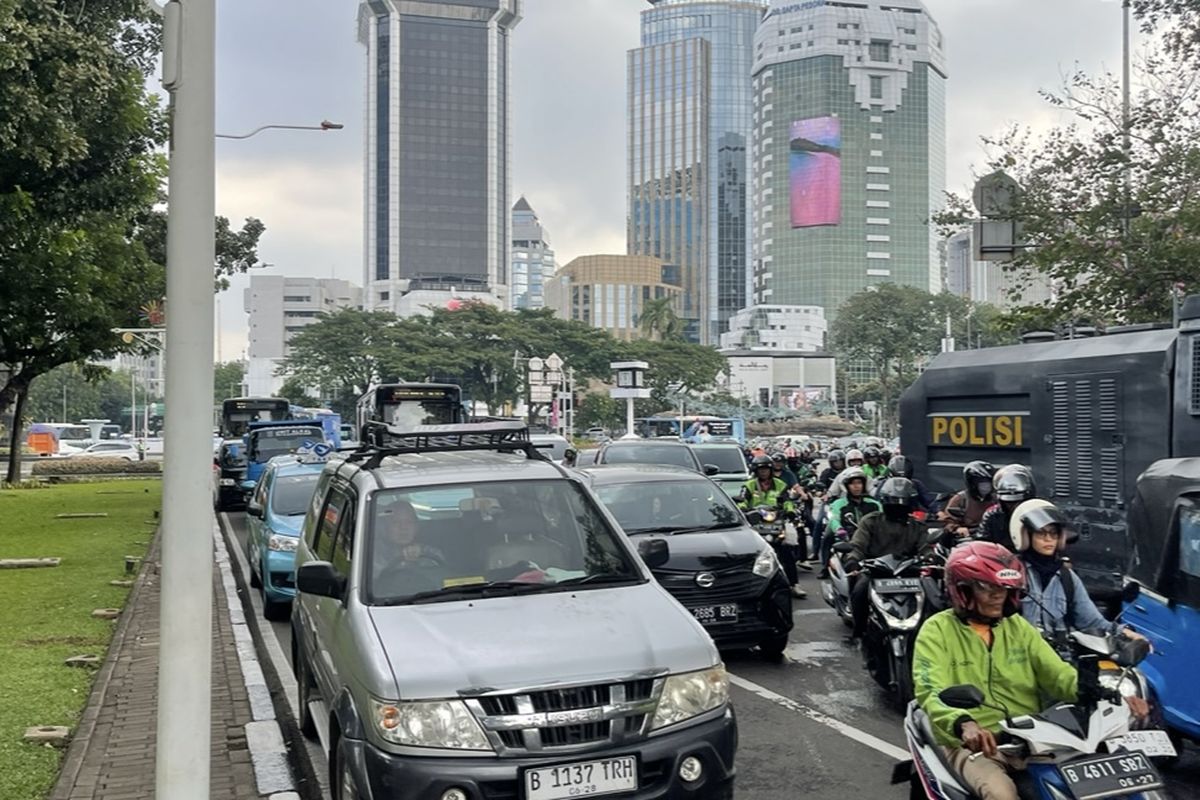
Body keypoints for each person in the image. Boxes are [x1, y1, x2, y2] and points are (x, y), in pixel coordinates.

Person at [913, 541, 1148, 800]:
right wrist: (963, 723)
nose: (998, 595)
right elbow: (930, 689)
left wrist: (1105, 693)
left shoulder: (1018, 628)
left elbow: (1058, 674)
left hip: (1033, 738)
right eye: (987, 588)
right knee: (1001, 794)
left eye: (1004, 589)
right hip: (976, 745)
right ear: (962, 590)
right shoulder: (936, 631)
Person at [1010, 499, 1146, 640]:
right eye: (1040, 533)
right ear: (1026, 536)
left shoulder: (1067, 578)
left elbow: (1092, 622)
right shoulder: (1013, 574)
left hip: (1056, 651)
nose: (1048, 539)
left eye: (1054, 533)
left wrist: (1126, 634)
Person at [843, 477, 933, 639]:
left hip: (909, 572)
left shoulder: (917, 526)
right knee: (859, 592)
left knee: (935, 596)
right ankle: (859, 632)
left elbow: (925, 548)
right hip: (875, 571)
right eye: (894, 503)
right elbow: (858, 545)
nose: (898, 508)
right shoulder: (871, 521)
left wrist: (933, 561)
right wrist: (853, 561)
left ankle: (929, 634)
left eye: (902, 504)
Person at [739, 455, 805, 598]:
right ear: (756, 471)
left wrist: (790, 511)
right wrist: (744, 509)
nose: (763, 472)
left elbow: (787, 501)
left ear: (771, 470)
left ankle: (794, 584)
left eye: (766, 469)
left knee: (787, 550)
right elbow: (742, 500)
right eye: (761, 469)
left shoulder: (780, 484)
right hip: (755, 523)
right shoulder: (749, 485)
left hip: (776, 522)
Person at [819, 467, 883, 577]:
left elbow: (883, 519)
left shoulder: (874, 504)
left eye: (859, 483)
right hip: (848, 538)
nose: (856, 486)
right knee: (828, 535)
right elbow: (834, 519)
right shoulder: (838, 504)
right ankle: (825, 566)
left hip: (873, 538)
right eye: (852, 483)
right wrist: (839, 529)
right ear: (847, 486)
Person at [977, 465, 1036, 549]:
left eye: (1018, 502)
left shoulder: (1040, 512)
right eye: (1009, 503)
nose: (1014, 507)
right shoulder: (992, 515)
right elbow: (981, 544)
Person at [377, 500, 445, 567]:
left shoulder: (431, 553)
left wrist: (420, 558)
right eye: (396, 522)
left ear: (416, 527)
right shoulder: (375, 554)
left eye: (409, 522)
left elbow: (441, 570)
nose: (403, 527)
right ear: (385, 527)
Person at [941, 461, 996, 540]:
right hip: (967, 539)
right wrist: (957, 528)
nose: (986, 485)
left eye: (988, 481)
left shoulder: (996, 499)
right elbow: (948, 521)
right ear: (972, 482)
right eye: (981, 481)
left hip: (991, 538)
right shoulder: (960, 499)